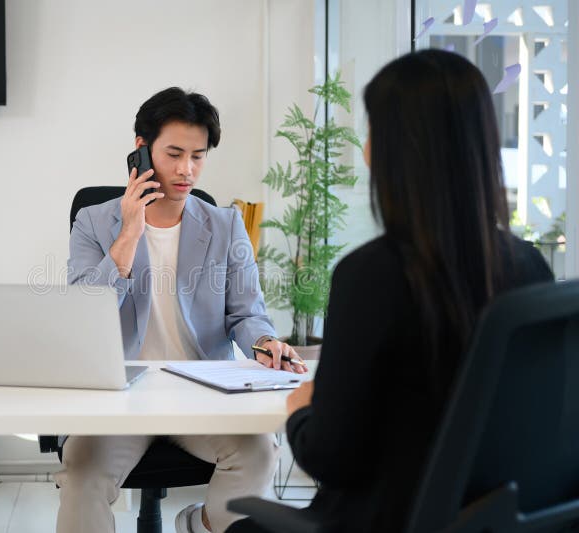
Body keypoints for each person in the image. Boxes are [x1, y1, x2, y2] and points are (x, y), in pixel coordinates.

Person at [226, 49, 554, 533]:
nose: (364, 147)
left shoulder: (372, 276)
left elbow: (330, 458)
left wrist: (301, 409)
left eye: (373, 129)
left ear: (399, 149)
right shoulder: (530, 270)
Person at [56, 87, 306, 533]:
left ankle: (201, 525)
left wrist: (265, 343)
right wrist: (129, 234)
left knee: (260, 452)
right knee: (82, 472)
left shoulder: (225, 225)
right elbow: (81, 315)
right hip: (118, 395)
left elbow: (247, 314)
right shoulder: (94, 222)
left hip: (202, 391)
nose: (186, 169)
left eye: (198, 155)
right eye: (173, 154)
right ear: (141, 151)